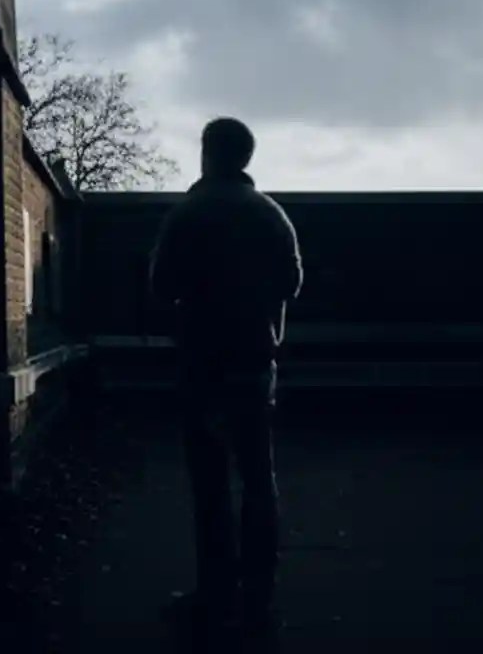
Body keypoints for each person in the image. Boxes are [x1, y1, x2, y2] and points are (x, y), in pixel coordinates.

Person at [150, 117, 303, 643]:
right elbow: (293, 282)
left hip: (201, 364)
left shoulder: (188, 214)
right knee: (259, 477)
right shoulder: (271, 215)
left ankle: (214, 593)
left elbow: (160, 284)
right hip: (255, 363)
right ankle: (259, 595)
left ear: (207, 153)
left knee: (209, 482)